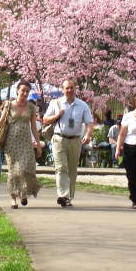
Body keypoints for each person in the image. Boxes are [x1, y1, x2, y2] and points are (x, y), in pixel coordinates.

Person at [42, 79, 94, 207]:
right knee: (61, 167)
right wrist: (57, 116)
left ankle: (68, 197)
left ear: (75, 89)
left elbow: (89, 122)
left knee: (72, 169)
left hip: (75, 140)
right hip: (59, 139)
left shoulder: (82, 105)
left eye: (71, 88)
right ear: (63, 89)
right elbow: (45, 120)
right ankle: (63, 195)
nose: (69, 90)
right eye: (67, 88)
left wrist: (88, 134)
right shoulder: (56, 103)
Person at [0, 82, 41, 208]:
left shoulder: (31, 107)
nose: (24, 93)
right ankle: (13, 198)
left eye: (27, 91)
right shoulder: (8, 105)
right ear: (17, 91)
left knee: (26, 168)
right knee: (13, 170)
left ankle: (23, 193)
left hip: (25, 142)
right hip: (11, 142)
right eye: (23, 90)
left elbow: (34, 127)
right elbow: (0, 123)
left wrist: (38, 144)